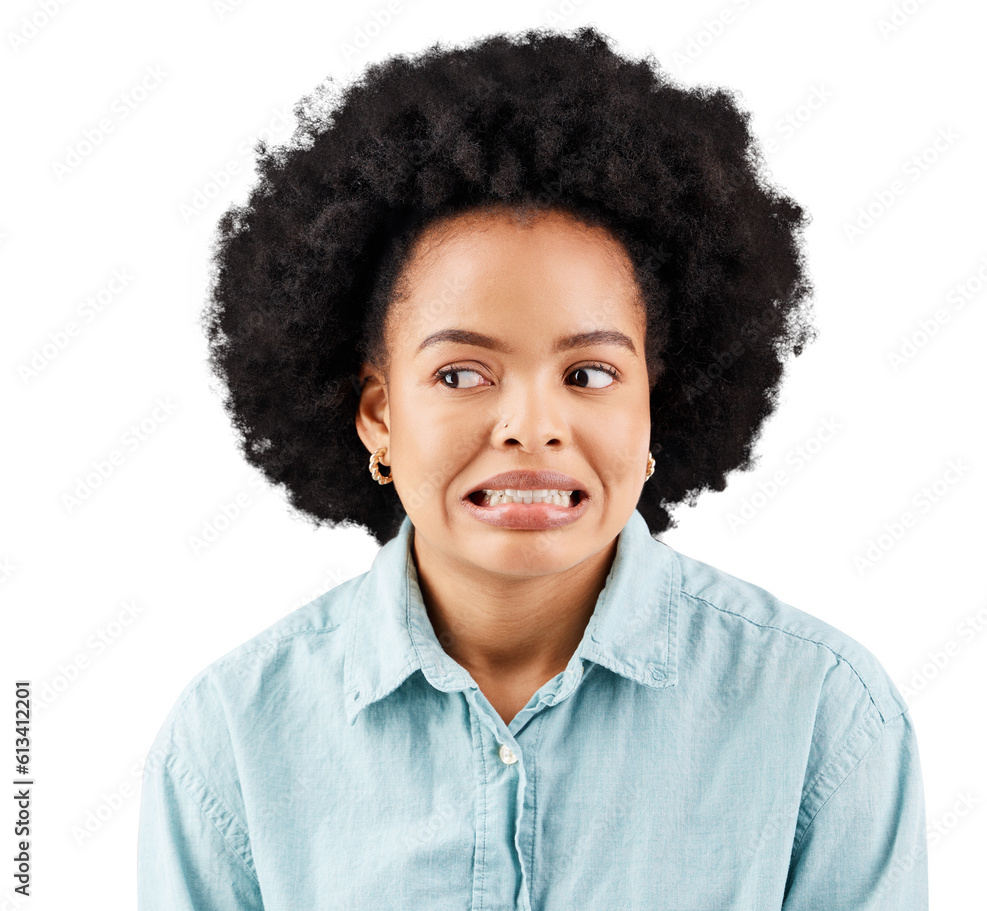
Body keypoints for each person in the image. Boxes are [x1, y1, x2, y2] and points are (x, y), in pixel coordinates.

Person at [137, 25, 928, 909]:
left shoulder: (823, 718)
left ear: (654, 405)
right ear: (378, 417)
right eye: (461, 373)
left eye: (589, 373)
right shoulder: (230, 743)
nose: (531, 426)